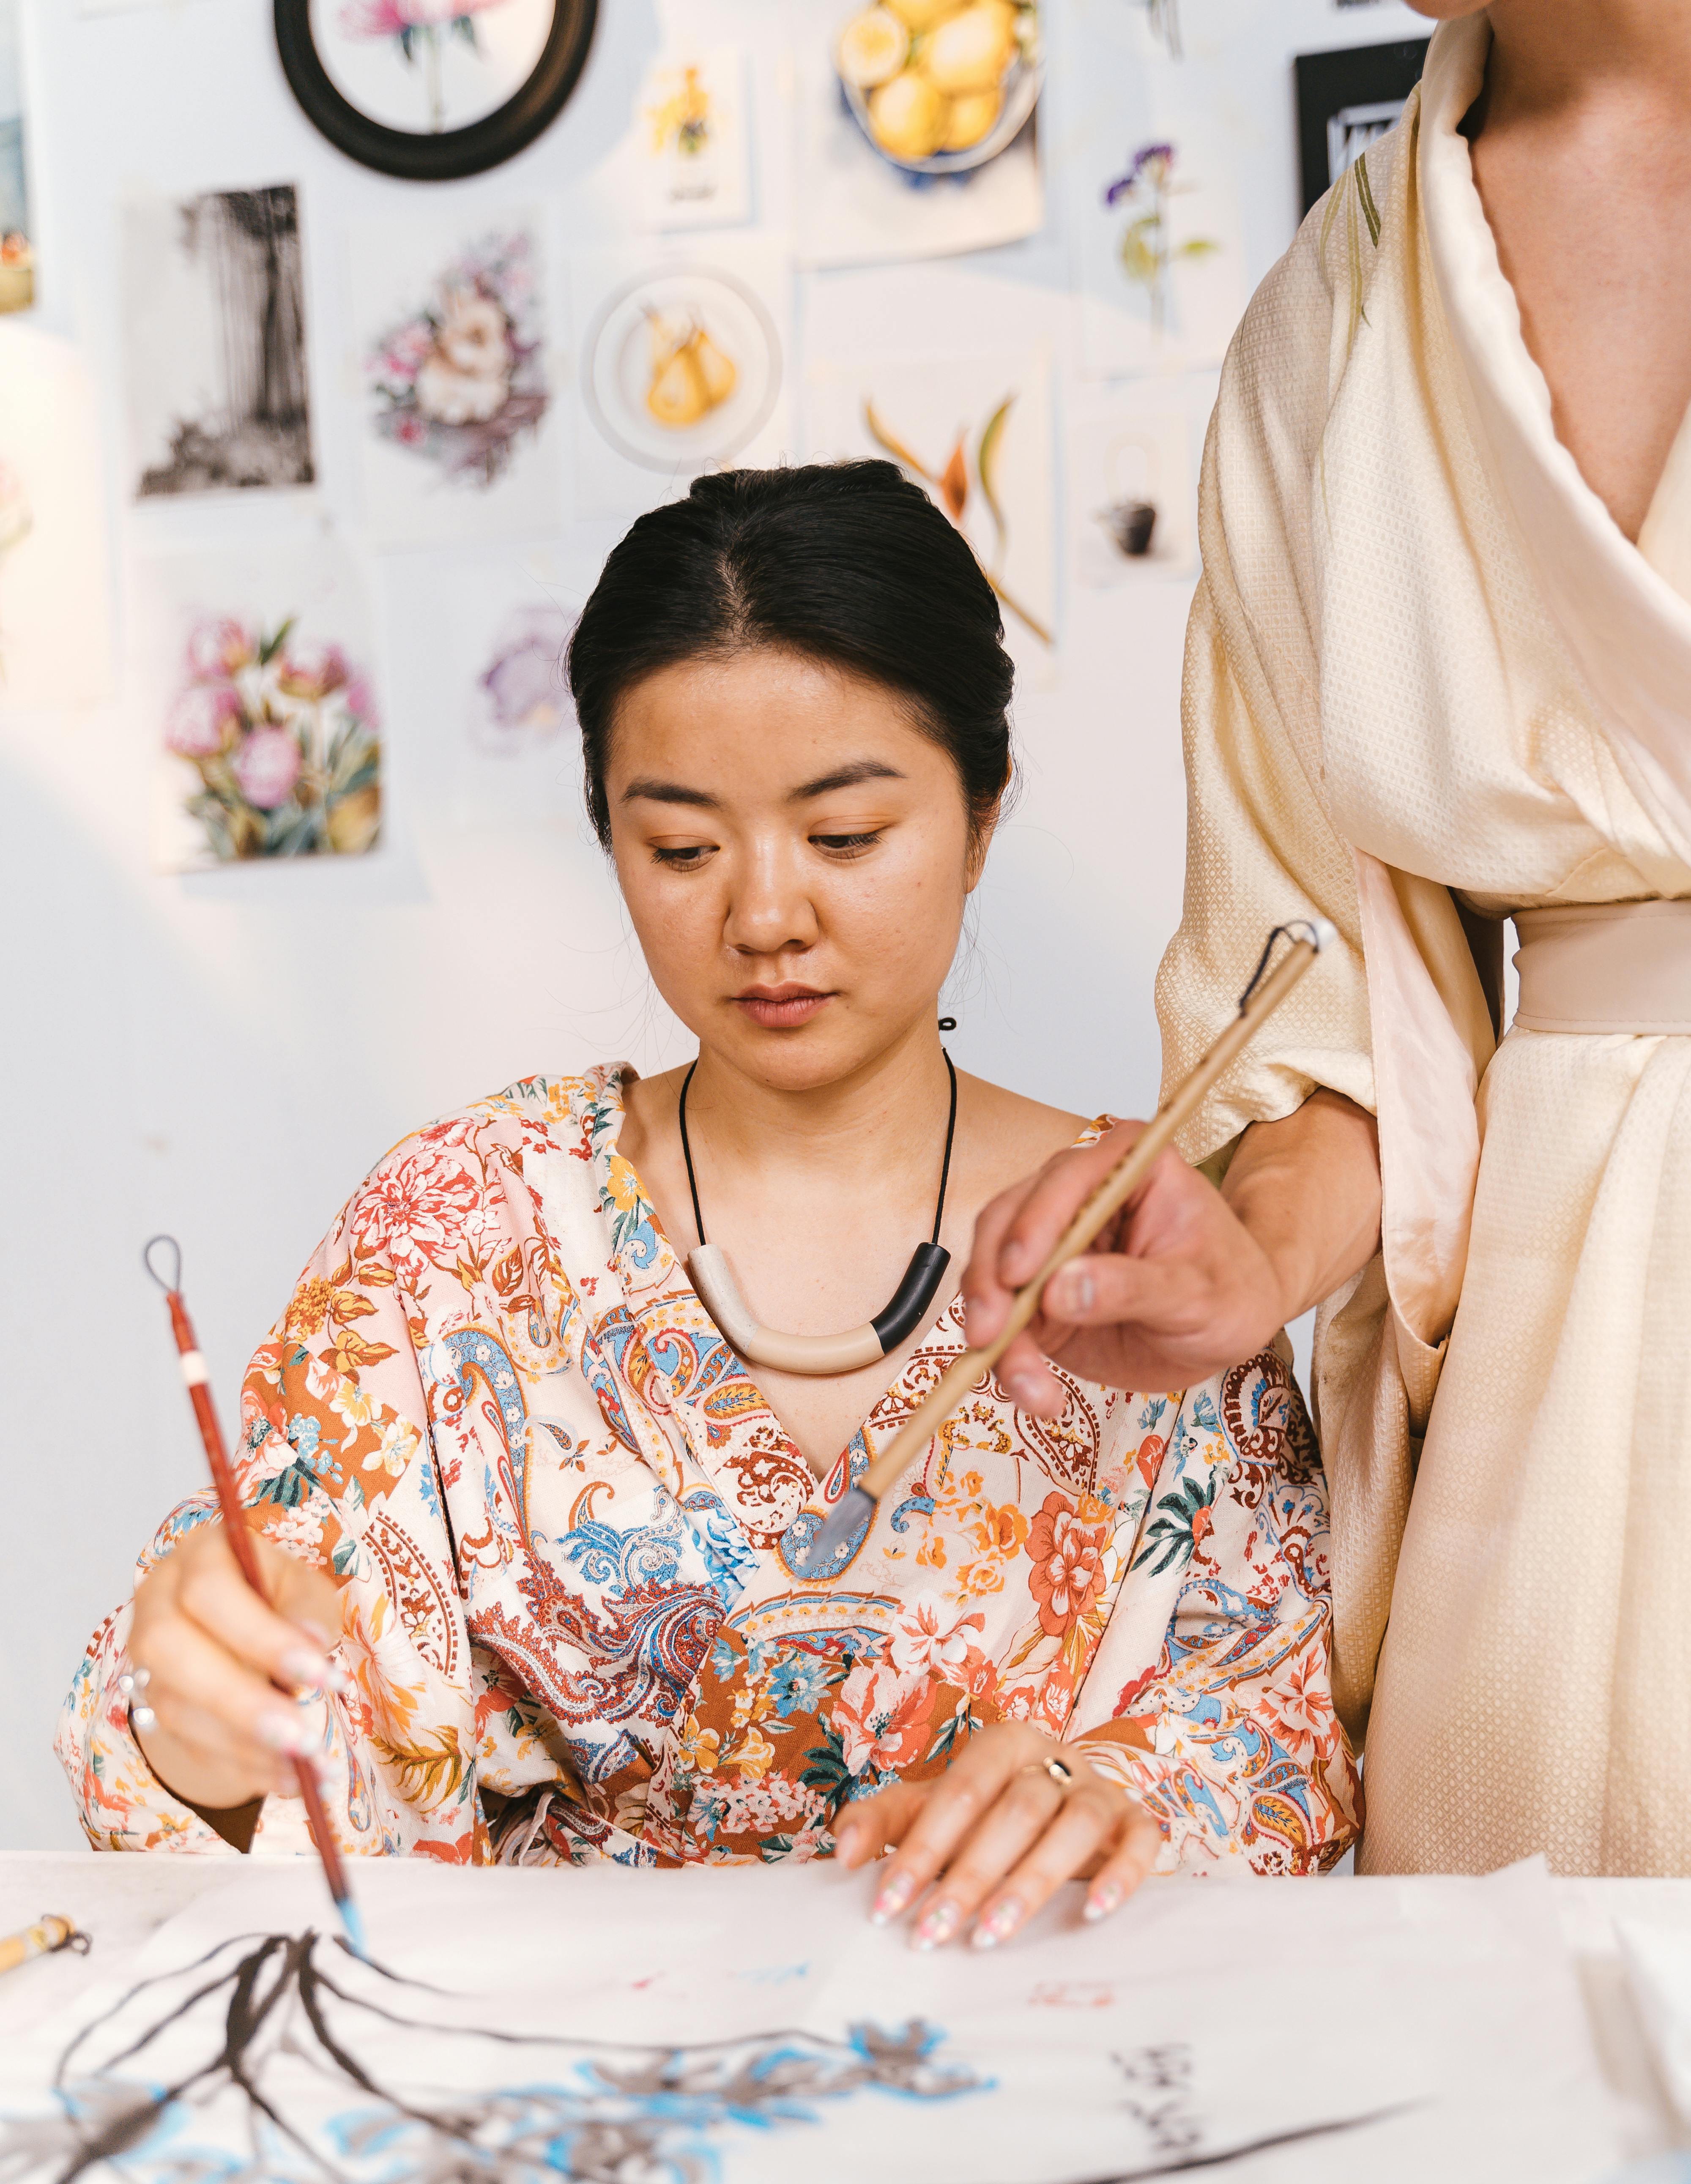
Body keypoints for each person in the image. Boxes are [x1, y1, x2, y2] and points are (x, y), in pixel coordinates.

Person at [57, 463, 1356, 1938]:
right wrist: (206, 1729)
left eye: (847, 837)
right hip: (574, 2081)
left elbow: (1280, 1739)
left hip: (1033, 2057)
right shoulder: (463, 1234)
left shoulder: (1138, 1241)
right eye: (679, 847)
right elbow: (279, 1728)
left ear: (985, 817)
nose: (762, 917)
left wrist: (1120, 1790)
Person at [965, 0, 1691, 1875]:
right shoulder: (1335, 322)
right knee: (1542, 2101)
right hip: (1568, 1422)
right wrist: (1239, 1258)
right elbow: (1322, 1007)